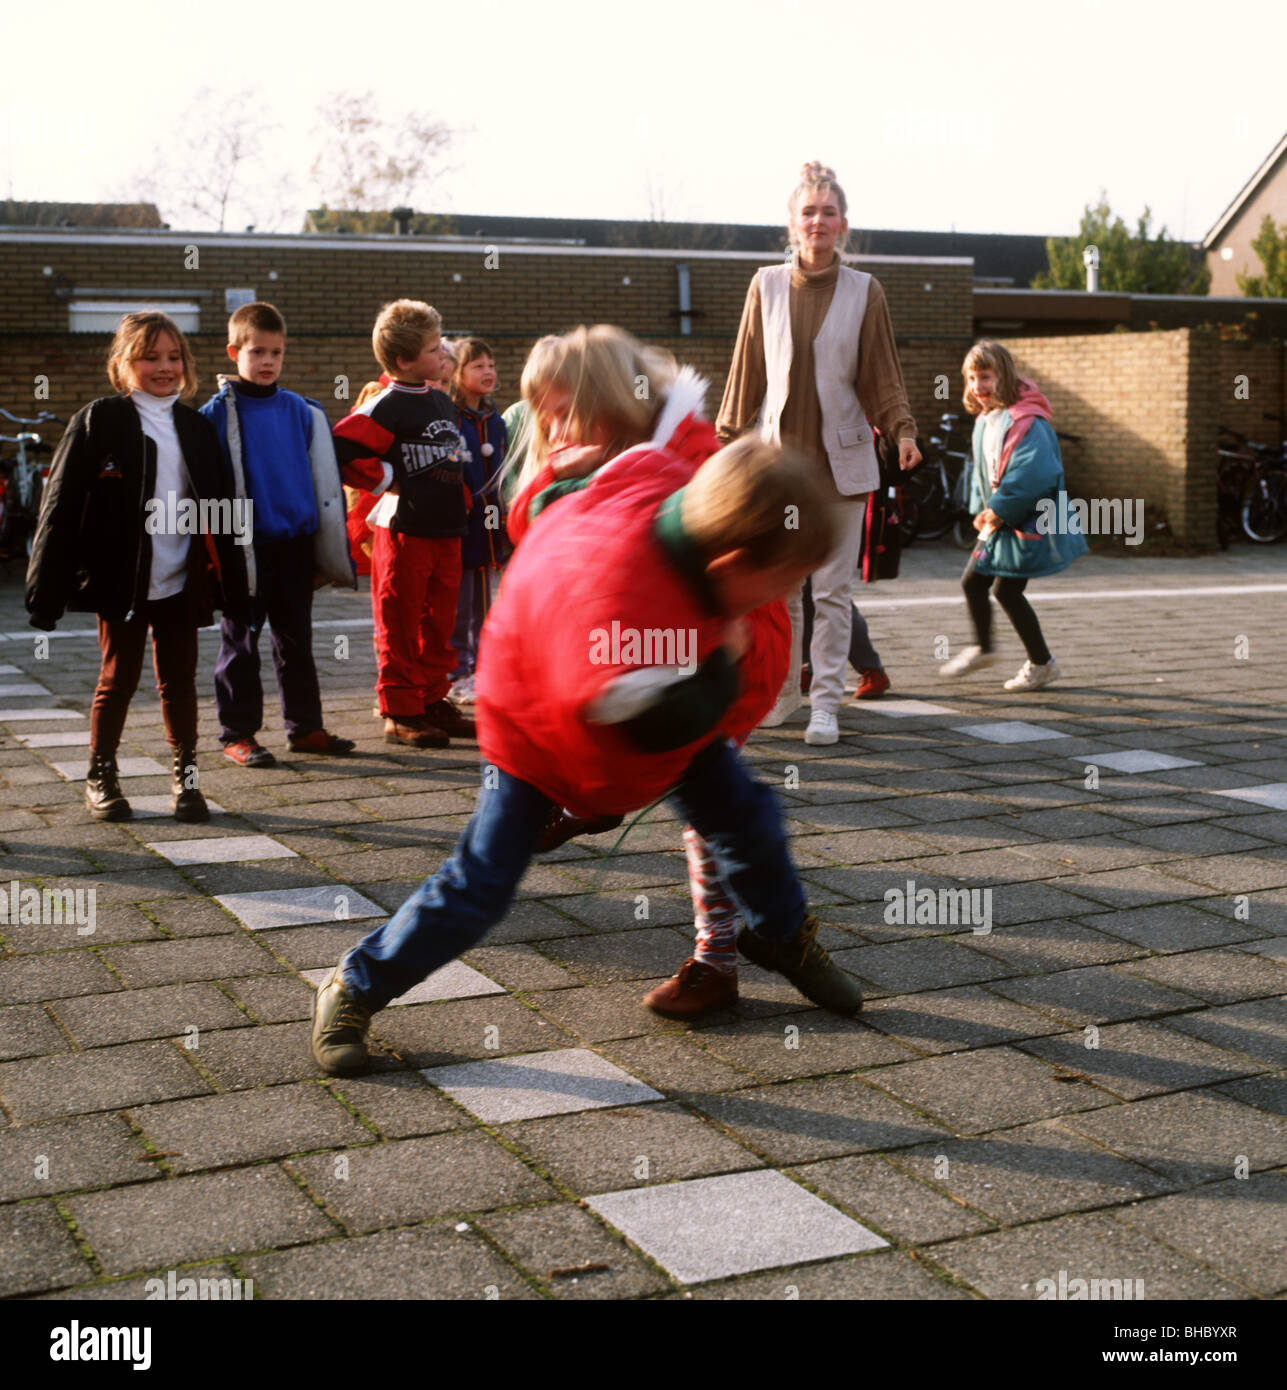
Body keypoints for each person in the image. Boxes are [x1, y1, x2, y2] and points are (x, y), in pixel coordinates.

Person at [311, 332, 865, 1075]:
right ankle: (355, 983)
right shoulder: (629, 593)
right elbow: (630, 719)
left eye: (569, 418)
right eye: (775, 588)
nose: (557, 435)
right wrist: (716, 675)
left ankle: (776, 932)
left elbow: (616, 483)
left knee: (747, 815)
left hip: (637, 687)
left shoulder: (658, 470)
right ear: (732, 568)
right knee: (479, 884)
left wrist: (554, 489)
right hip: (540, 725)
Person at [504, 328, 792, 1017]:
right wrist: (558, 475)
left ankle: (715, 960)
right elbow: (527, 528)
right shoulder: (587, 458)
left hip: (719, 659)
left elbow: (716, 577)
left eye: (561, 407)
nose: (549, 426)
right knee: (605, 724)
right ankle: (594, 798)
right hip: (639, 653)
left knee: (706, 817)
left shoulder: (690, 458)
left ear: (607, 401)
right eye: (540, 413)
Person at [718, 161, 921, 745]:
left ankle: (827, 702)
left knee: (832, 590)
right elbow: (746, 369)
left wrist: (903, 430)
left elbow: (883, 374)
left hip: (844, 465)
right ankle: (783, 694)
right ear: (791, 222)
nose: (818, 221)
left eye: (828, 212)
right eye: (808, 212)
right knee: (783, 593)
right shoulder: (766, 285)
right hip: (781, 468)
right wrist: (728, 438)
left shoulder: (866, 291)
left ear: (844, 225)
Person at [26, 311, 248, 822]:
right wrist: (46, 590)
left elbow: (225, 508)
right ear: (123, 364)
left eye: (173, 357)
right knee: (117, 677)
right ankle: (101, 775)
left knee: (180, 680)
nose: (164, 367)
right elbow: (59, 507)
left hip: (180, 577)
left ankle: (186, 780)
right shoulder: (98, 420)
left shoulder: (196, 427)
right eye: (150, 358)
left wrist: (236, 587)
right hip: (120, 579)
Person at [200, 302, 356, 767]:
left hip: (294, 547)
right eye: (258, 351)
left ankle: (305, 727)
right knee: (241, 642)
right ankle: (237, 732)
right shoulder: (214, 413)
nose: (268, 361)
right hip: (245, 548)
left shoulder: (301, 411)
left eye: (277, 353)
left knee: (296, 642)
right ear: (233, 352)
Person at [332, 300, 477, 749]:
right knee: (400, 620)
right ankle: (399, 710)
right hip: (405, 532)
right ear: (403, 360)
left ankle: (432, 698)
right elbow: (343, 448)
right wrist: (387, 478)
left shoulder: (439, 400)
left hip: (447, 532)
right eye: (435, 349)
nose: (443, 355)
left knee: (439, 621)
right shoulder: (387, 405)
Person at [939, 340, 1086, 689]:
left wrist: (999, 509)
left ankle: (998, 651)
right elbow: (984, 469)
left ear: (1003, 375)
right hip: (1002, 518)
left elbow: (1033, 473)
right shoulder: (986, 420)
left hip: (1025, 519)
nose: (978, 387)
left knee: (987, 585)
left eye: (986, 377)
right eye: (972, 378)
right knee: (995, 588)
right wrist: (982, 507)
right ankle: (1036, 661)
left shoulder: (1027, 421)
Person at [447, 337, 509, 706]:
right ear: (457, 373)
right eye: (478, 366)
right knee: (460, 600)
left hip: (489, 523)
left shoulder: (495, 421)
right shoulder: (451, 418)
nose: (488, 372)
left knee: (486, 599)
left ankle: (484, 667)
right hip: (462, 522)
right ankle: (457, 671)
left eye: (491, 364)